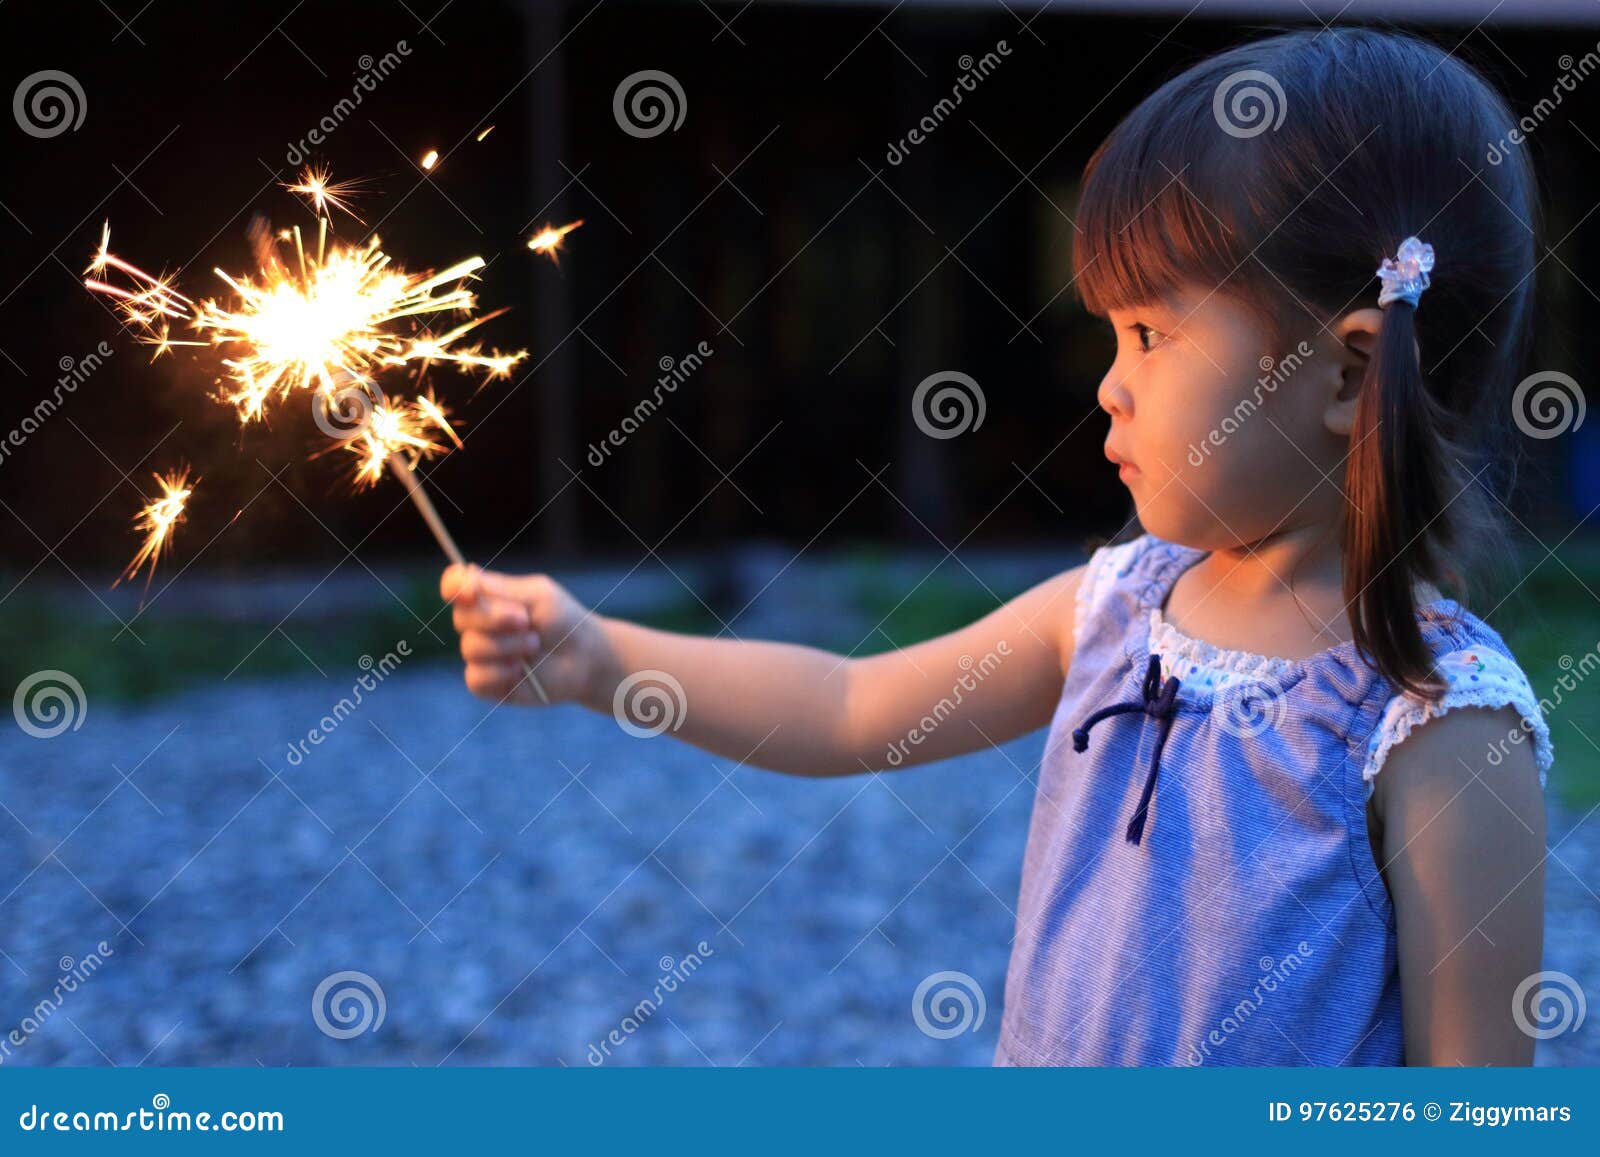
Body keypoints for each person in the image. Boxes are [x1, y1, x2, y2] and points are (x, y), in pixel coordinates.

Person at [442, 27, 1552, 1066]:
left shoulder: (1438, 719)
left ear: (1348, 372)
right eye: (1112, 334)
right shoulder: (1114, 609)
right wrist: (599, 658)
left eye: (1151, 333)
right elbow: (846, 707)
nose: (1109, 383)